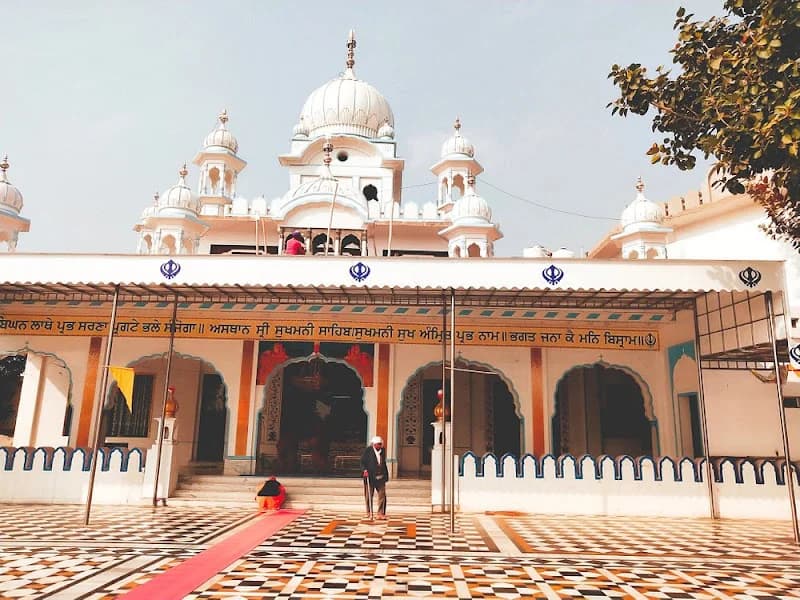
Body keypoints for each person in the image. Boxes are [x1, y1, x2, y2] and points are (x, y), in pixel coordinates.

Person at [360, 435, 389, 519]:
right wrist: (364, 470)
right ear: (373, 444)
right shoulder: (368, 451)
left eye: (380, 444)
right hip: (370, 476)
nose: (379, 446)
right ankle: (369, 512)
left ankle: (381, 513)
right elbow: (362, 462)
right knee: (369, 495)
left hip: (380, 476)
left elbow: (383, 463)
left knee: (382, 495)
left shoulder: (382, 450)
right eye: (378, 444)